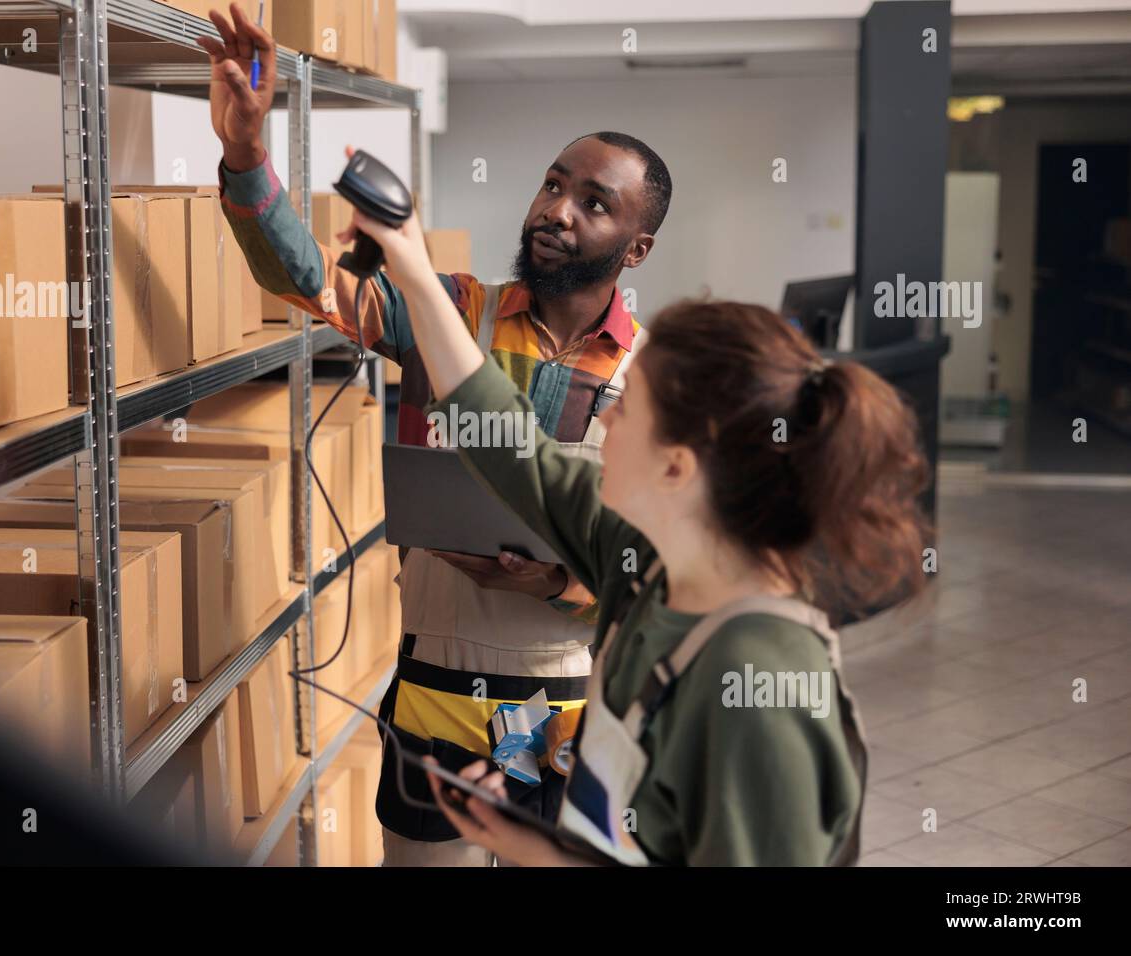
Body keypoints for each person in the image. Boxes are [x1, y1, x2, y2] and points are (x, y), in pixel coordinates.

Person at [197, 4, 673, 865]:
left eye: (594, 203)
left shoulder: (654, 385)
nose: (557, 209)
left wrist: (558, 585)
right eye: (555, 182)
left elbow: (662, 577)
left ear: (634, 249)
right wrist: (245, 154)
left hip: (569, 709)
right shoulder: (451, 310)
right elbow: (311, 285)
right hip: (435, 691)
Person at [338, 201, 932, 865]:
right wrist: (413, 268)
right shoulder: (643, 559)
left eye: (628, 406)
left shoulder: (756, 681)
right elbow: (509, 443)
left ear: (677, 467)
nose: (606, 418)